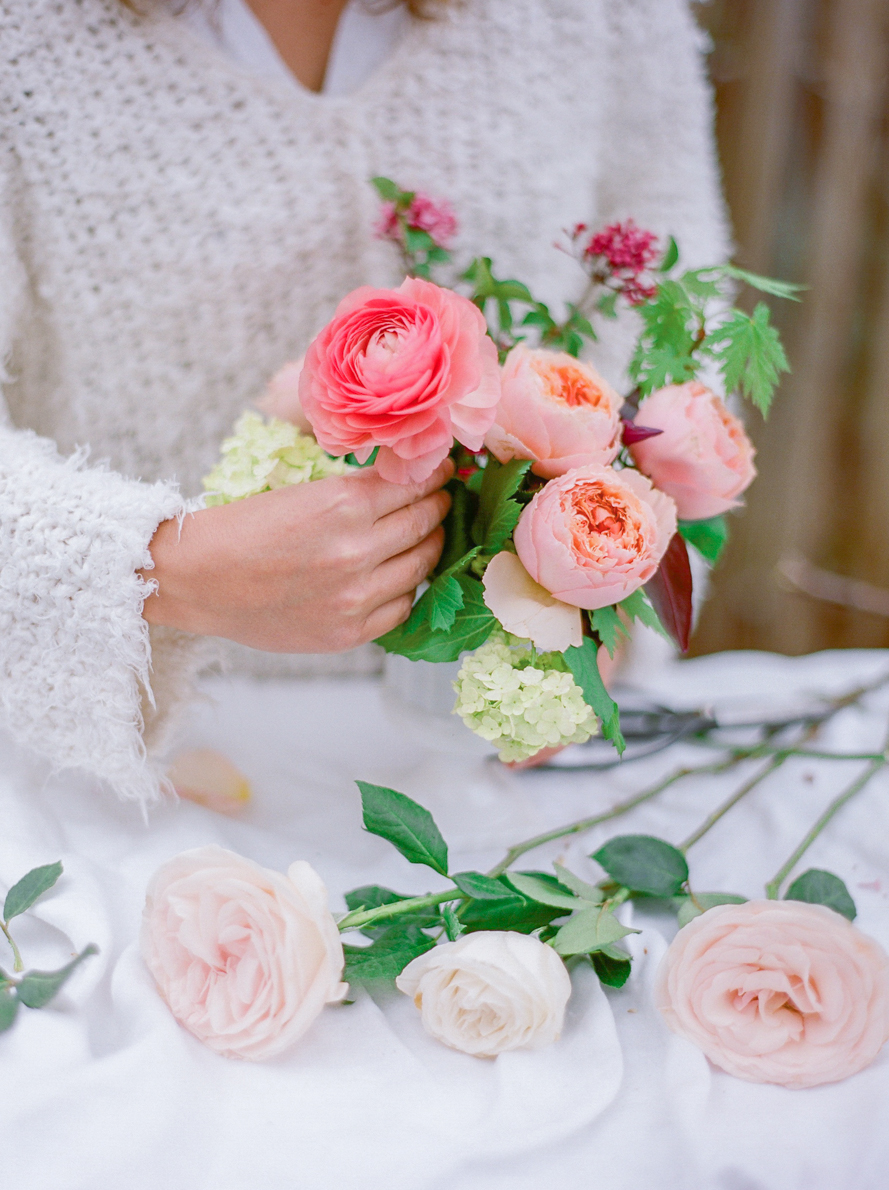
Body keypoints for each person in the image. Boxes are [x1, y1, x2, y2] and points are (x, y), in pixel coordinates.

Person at [0, 0, 729, 801]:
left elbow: (674, 314)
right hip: (122, 756)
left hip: (504, 757)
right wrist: (158, 571)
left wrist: (607, 583)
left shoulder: (602, 18)